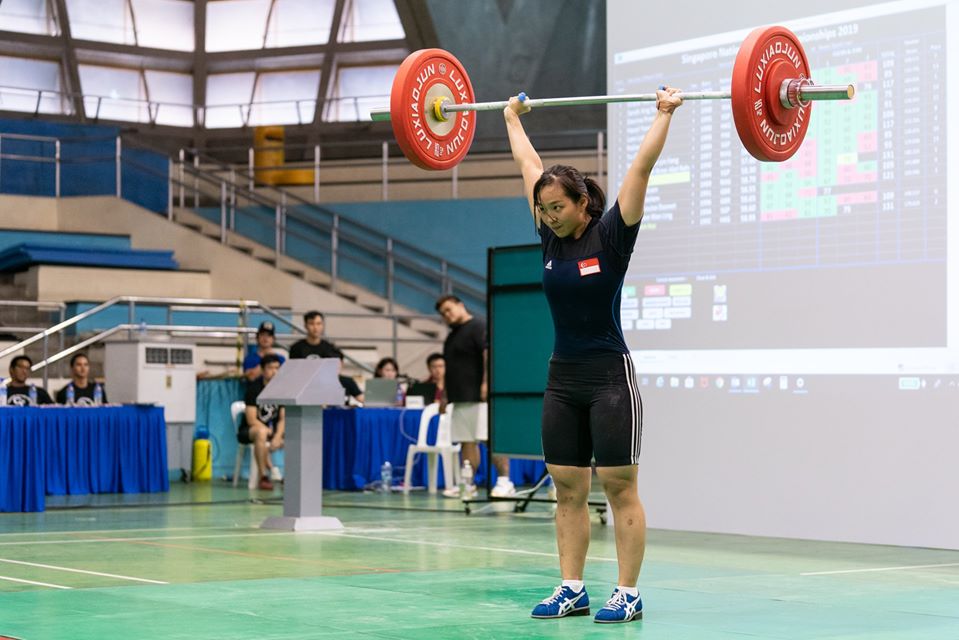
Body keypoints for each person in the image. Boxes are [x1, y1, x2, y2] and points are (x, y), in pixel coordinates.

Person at [505, 87, 683, 623]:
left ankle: (627, 592)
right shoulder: (549, 239)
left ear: (583, 203)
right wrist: (512, 117)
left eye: (558, 207)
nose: (549, 215)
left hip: (609, 376)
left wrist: (663, 113)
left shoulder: (612, 237)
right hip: (563, 378)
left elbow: (641, 169)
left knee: (618, 485)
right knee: (567, 487)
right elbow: (527, 162)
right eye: (543, 208)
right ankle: (572, 586)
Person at [435, 295, 514, 499]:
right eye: (443, 313)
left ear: (461, 305)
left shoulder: (478, 326)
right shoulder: (452, 336)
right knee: (466, 442)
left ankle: (505, 481)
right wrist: (444, 396)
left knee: (490, 440)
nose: (447, 315)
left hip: (479, 397)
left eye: (449, 309)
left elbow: (488, 355)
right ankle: (468, 484)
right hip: (459, 398)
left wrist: (486, 384)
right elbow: (450, 368)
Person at [237, 353, 285, 490]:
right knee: (261, 432)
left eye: (277, 368)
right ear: (263, 370)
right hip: (249, 430)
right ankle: (263, 476)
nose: (274, 371)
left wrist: (277, 436)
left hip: (271, 431)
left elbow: (283, 418)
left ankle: (289, 475)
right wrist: (267, 430)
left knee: (297, 434)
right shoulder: (254, 389)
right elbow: (251, 419)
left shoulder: (281, 391)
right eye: (270, 368)